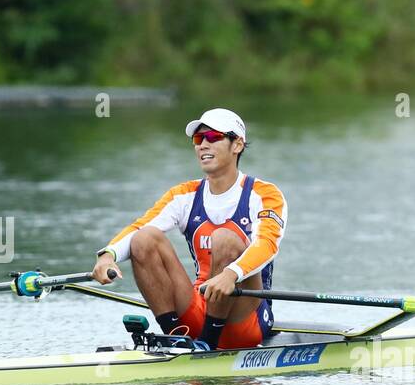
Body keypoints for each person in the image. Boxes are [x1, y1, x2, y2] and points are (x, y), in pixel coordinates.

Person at [90, 108, 287, 350]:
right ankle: (176, 338)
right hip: (199, 310)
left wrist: (231, 274)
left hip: (246, 318)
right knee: (144, 238)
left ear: (237, 145)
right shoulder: (184, 195)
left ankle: (208, 343)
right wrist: (107, 255)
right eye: (198, 139)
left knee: (224, 238)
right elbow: (140, 226)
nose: (203, 145)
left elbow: (267, 245)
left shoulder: (265, 194)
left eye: (213, 137)